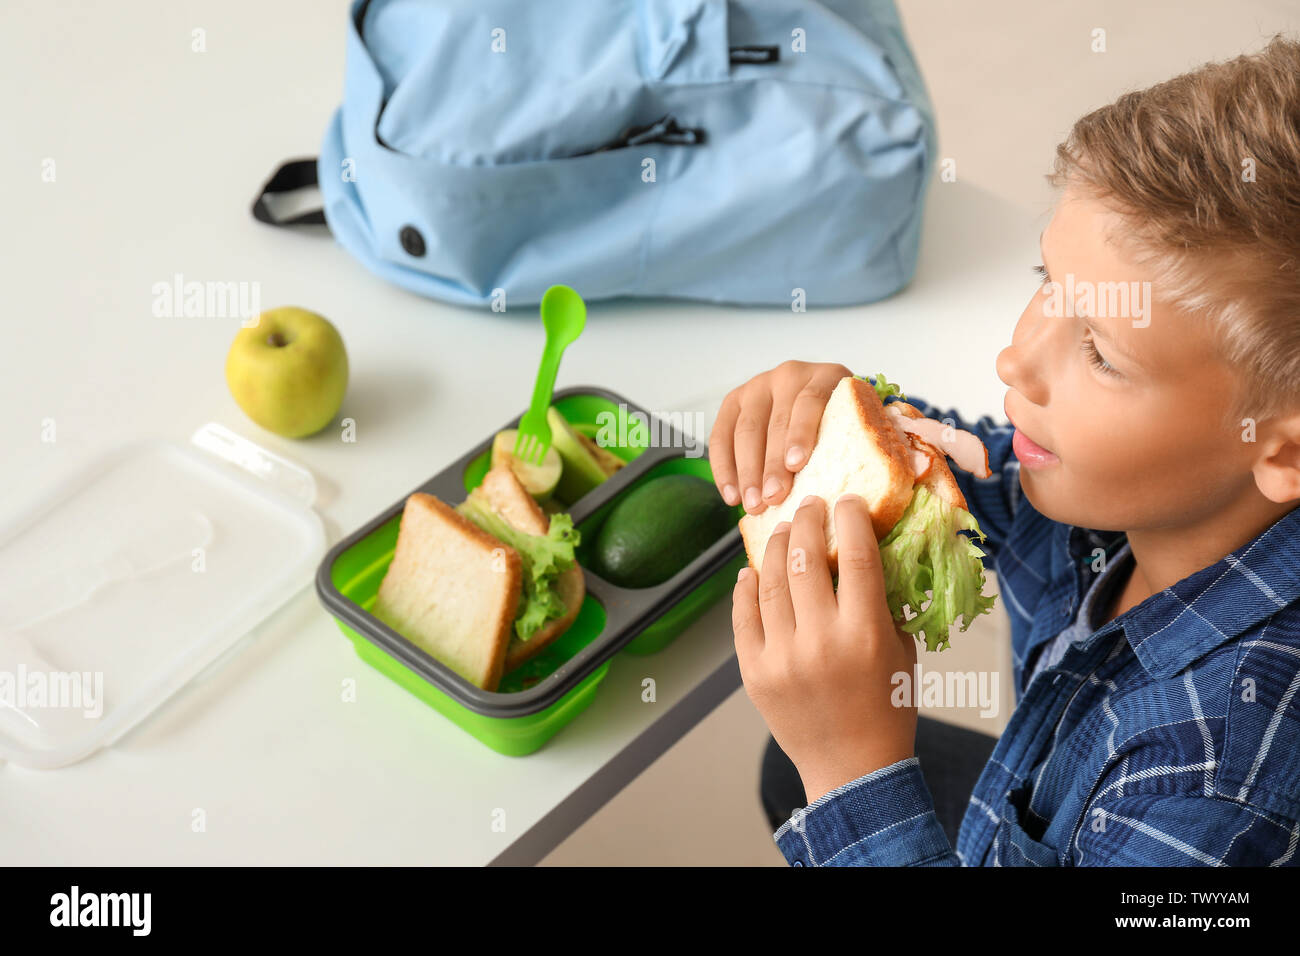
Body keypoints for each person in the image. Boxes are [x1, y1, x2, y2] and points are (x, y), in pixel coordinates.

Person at [711, 36, 1300, 866]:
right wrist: (863, 421)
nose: (1013, 361)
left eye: (1099, 351)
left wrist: (852, 772)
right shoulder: (1125, 495)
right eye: (1046, 280)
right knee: (788, 771)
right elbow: (973, 468)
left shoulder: (1216, 791)